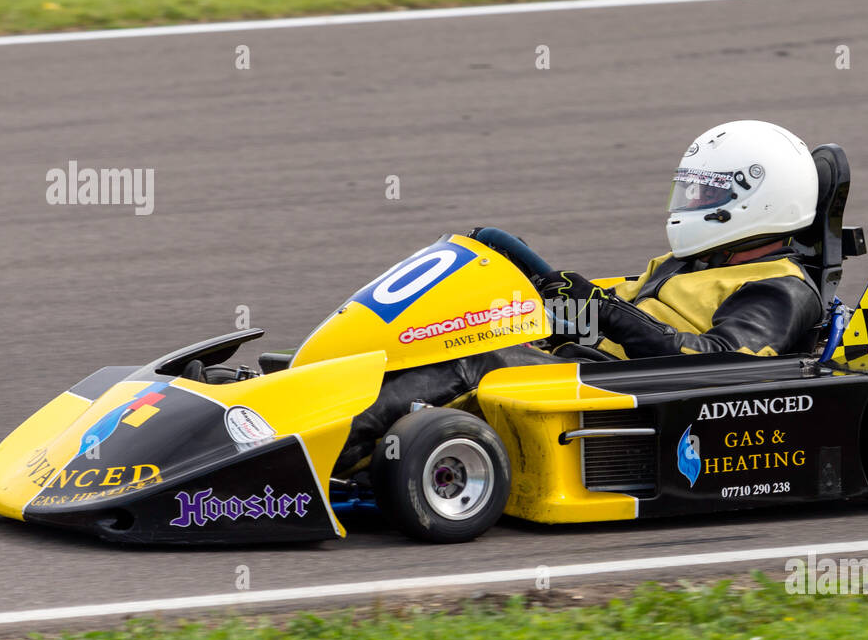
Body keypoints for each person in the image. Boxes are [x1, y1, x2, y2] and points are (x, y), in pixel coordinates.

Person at [335, 120, 825, 472]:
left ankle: (332, 448)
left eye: (704, 195)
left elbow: (724, 363)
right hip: (586, 366)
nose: (691, 204)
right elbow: (620, 304)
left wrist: (606, 313)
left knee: (477, 361)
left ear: (757, 200)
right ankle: (317, 392)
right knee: (445, 329)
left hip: (632, 395)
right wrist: (549, 294)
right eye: (691, 192)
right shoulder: (698, 262)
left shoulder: (779, 287)